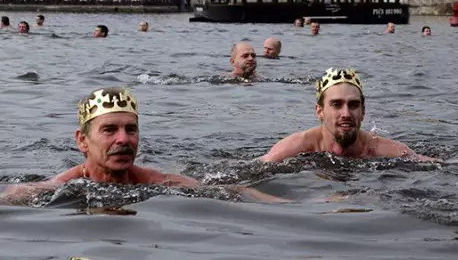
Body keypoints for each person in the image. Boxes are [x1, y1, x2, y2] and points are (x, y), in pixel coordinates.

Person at [2, 87, 284, 204]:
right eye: (110, 130)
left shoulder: (159, 182)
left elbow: (228, 191)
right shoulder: (56, 189)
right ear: (82, 141)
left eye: (131, 129)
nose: (123, 139)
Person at [260, 68, 435, 162]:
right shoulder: (297, 147)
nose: (346, 113)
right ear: (319, 111)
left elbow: (436, 165)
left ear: (363, 111)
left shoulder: (384, 150)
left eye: (353, 105)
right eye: (336, 104)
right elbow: (243, 178)